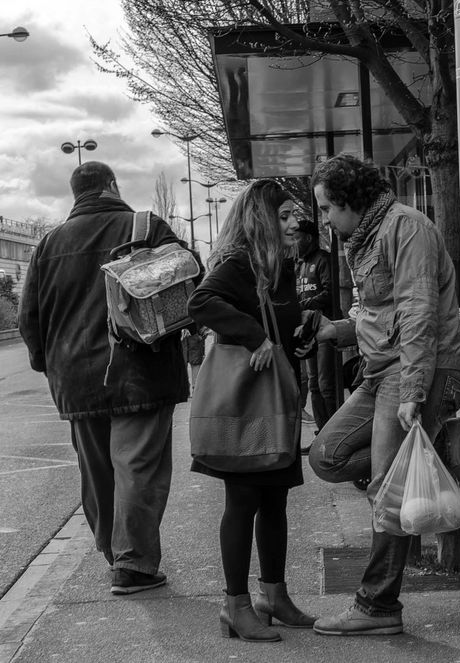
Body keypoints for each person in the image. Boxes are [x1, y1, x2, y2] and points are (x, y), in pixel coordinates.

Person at [307, 154, 460, 636]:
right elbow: (376, 313)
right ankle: (436, 453)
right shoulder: (363, 239)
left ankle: (377, 606)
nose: (324, 219)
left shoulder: (407, 229)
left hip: (416, 370)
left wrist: (415, 391)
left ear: (349, 202)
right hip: (382, 373)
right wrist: (332, 331)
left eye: (326, 208)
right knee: (326, 455)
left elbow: (419, 313)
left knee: (386, 489)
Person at [19, 161, 192, 596]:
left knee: (97, 470)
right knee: (138, 467)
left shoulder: (48, 244)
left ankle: (116, 554)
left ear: (75, 194)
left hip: (75, 376)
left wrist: (47, 363)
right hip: (142, 369)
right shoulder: (144, 225)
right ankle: (133, 563)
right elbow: (192, 279)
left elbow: (29, 318)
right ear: (113, 186)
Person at [188, 179, 315, 643]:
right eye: (282, 216)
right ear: (260, 220)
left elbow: (281, 329)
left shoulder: (278, 267)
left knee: (276, 501)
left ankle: (274, 597)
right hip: (244, 406)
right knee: (242, 502)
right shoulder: (239, 264)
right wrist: (253, 336)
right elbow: (200, 301)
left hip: (274, 402)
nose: (292, 223)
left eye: (293, 215)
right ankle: (235, 606)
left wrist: (297, 336)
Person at [293, 215, 337, 438]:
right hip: (308, 332)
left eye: (297, 238)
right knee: (314, 385)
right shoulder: (298, 265)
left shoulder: (323, 260)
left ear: (308, 238)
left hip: (325, 330)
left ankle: (335, 434)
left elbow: (330, 292)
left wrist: (305, 304)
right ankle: (323, 434)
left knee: (326, 384)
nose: (293, 242)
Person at [182, 326, 209, 395]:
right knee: (182, 363)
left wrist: (201, 334)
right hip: (183, 334)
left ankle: (195, 390)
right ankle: (186, 389)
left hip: (195, 335)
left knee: (195, 362)